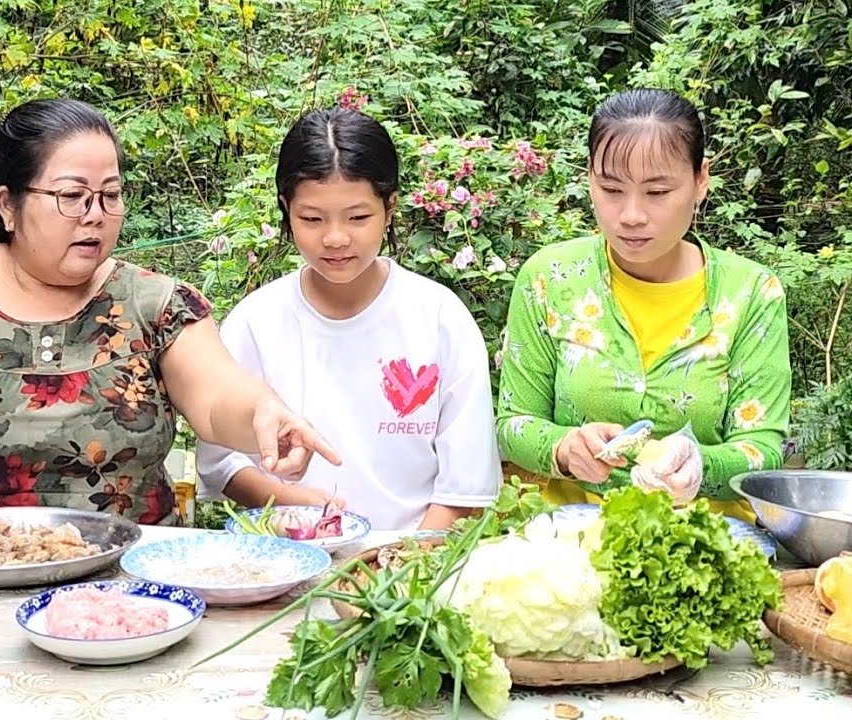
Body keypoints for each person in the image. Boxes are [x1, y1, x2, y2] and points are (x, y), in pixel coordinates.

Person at [0, 98, 340, 529]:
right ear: (8, 205)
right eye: (71, 196)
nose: (95, 214)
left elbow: (216, 399)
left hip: (127, 581)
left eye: (110, 194)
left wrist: (263, 413)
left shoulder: (154, 304)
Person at [196, 107, 501, 531]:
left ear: (390, 207)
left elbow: (465, 489)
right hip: (288, 561)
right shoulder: (255, 323)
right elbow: (220, 462)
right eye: (311, 218)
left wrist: (396, 569)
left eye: (358, 217)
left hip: (413, 577)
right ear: (286, 209)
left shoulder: (439, 318)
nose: (335, 238)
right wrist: (290, 503)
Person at [495, 88, 791, 522]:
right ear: (589, 179)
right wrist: (563, 448)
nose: (631, 214)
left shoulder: (750, 293)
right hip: (569, 544)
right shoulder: (549, 279)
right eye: (611, 189)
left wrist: (700, 466)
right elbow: (513, 423)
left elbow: (762, 447)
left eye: (657, 192)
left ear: (700, 180)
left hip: (709, 544)